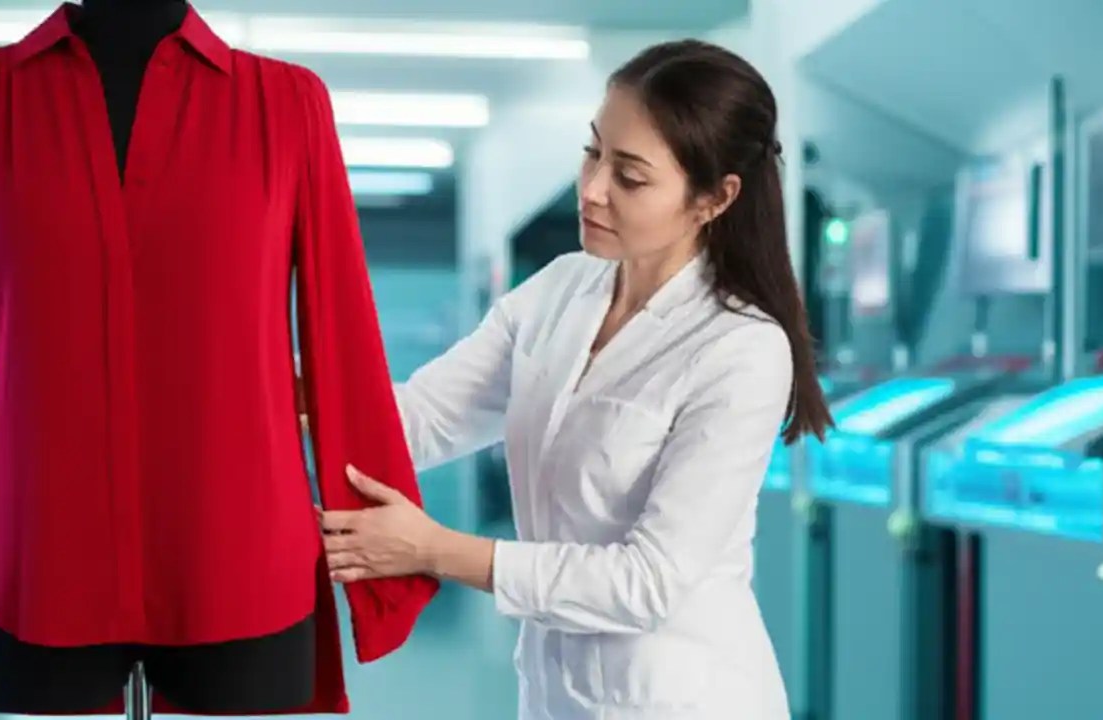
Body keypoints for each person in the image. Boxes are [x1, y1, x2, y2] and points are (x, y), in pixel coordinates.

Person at [317, 38, 833, 719]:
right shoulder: (562, 288)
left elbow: (648, 581)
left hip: (680, 700)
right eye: (593, 152)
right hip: (558, 695)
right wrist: (287, 391)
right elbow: (422, 420)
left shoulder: (740, 349)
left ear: (713, 198)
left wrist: (435, 550)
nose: (591, 189)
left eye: (630, 176)